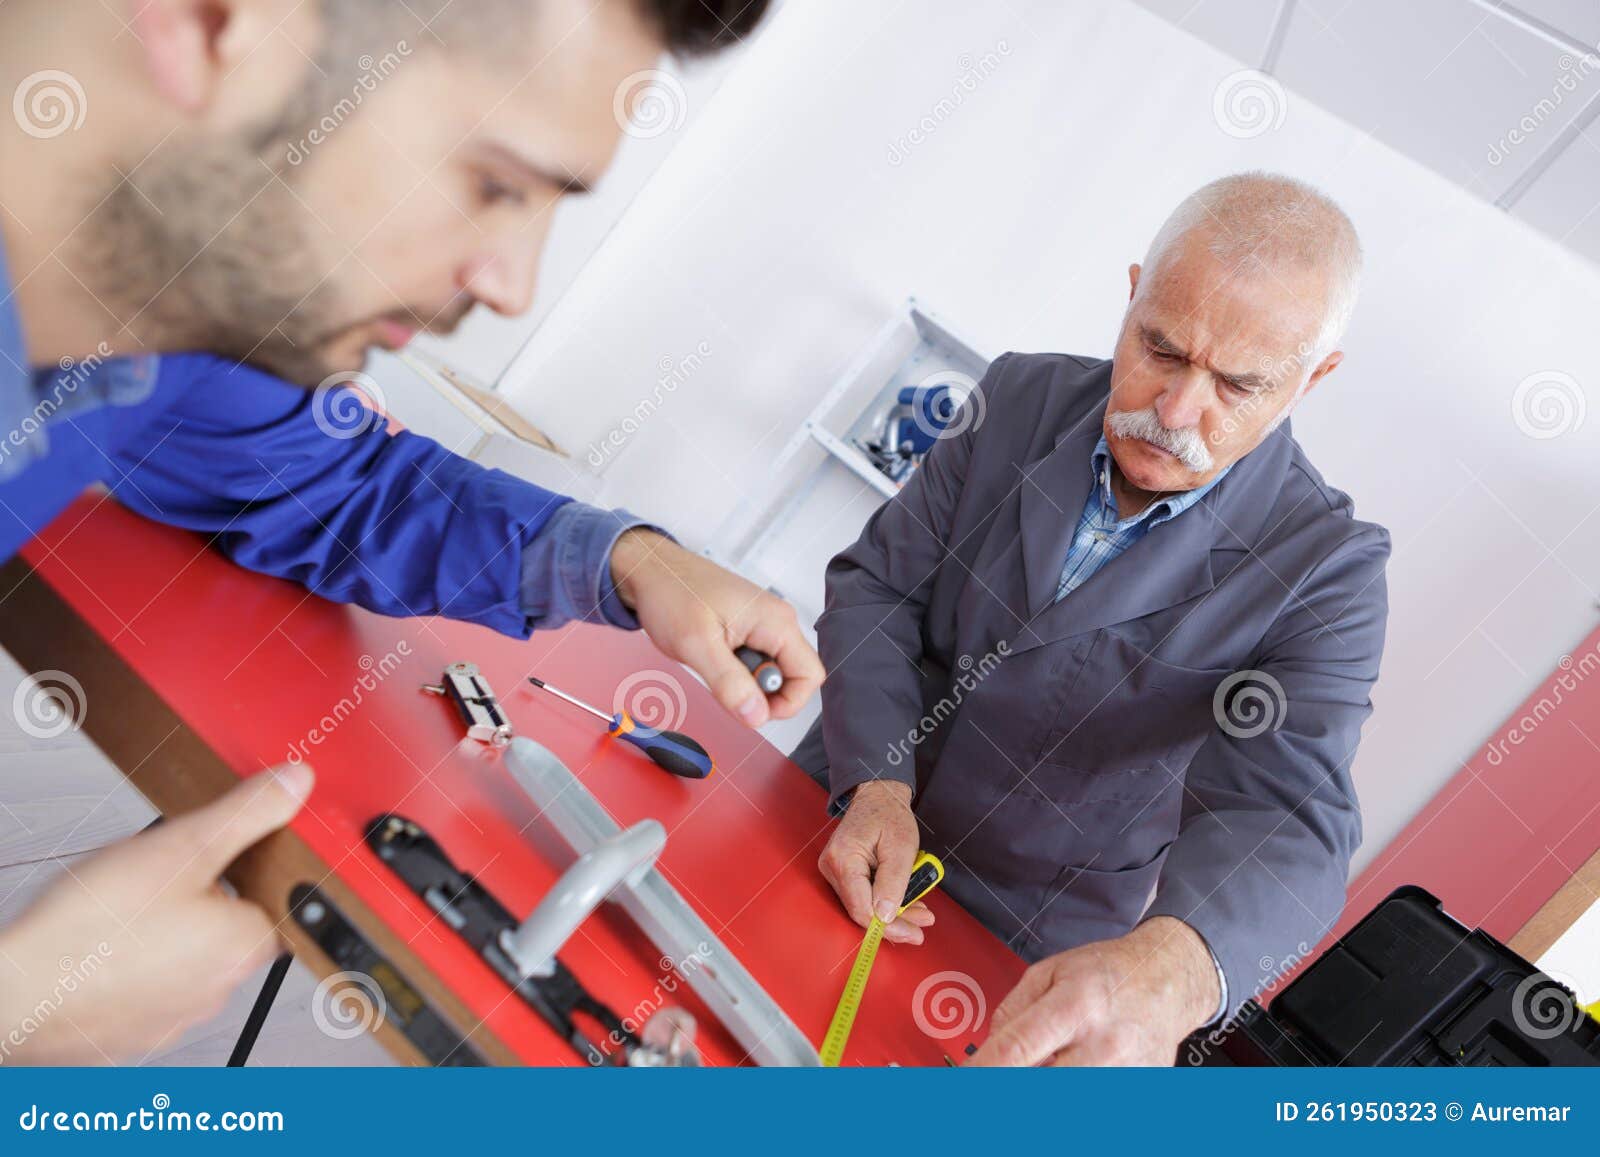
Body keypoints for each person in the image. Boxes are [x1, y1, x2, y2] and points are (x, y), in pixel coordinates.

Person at [0, 0, 814, 1063]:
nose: (512, 285)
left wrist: (627, 560)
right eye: (495, 185)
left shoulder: (166, 316)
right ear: (213, 21)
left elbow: (337, 484)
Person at [796, 172, 1391, 1065]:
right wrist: (876, 780)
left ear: (1313, 379)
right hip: (838, 810)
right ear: (1133, 294)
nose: (1176, 410)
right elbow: (880, 587)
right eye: (1160, 348)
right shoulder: (1017, 397)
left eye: (1237, 385)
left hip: (1025, 939)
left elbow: (1287, 817)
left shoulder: (1327, 569)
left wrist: (1173, 970)